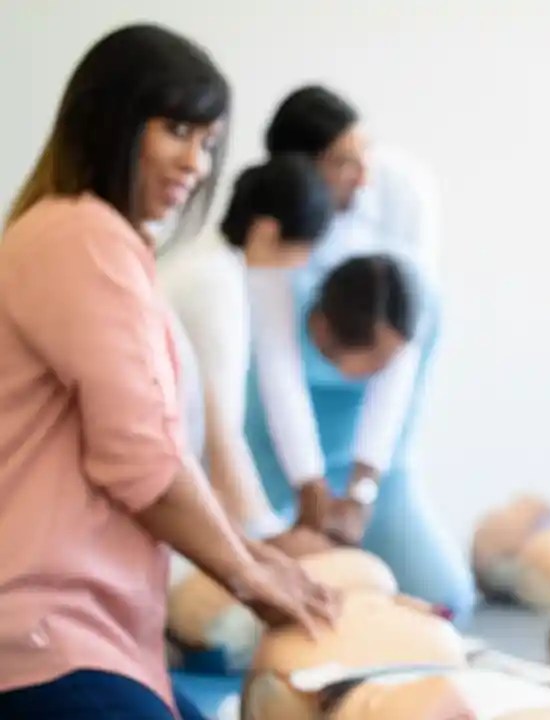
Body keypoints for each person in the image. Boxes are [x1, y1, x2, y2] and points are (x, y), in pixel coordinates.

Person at [0, 23, 335, 720]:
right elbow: (140, 458)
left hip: (96, 630)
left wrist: (256, 554)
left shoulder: (94, 242)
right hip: (45, 632)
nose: (197, 162)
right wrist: (248, 575)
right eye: (178, 130)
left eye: (209, 142)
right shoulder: (81, 235)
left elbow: (157, 447)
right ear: (111, 123)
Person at [243, 86, 474, 623]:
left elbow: (399, 352)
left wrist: (364, 485)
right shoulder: (275, 219)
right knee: (273, 600)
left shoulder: (403, 190)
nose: (363, 175)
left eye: (362, 154)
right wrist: (310, 488)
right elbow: (277, 364)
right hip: (282, 444)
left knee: (450, 600)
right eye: (344, 163)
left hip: (374, 446)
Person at [244, 252, 477, 625]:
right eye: (373, 359)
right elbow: (281, 390)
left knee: (447, 597)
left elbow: (388, 404)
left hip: (380, 478)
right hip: (272, 469)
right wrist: (310, 489)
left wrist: (360, 492)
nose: (381, 368)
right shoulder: (277, 294)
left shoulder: (417, 309)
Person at [159, 153, 334, 539]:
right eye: (299, 254)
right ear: (268, 232)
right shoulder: (215, 284)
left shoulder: (206, 263)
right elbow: (220, 435)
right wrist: (266, 536)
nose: (297, 270)